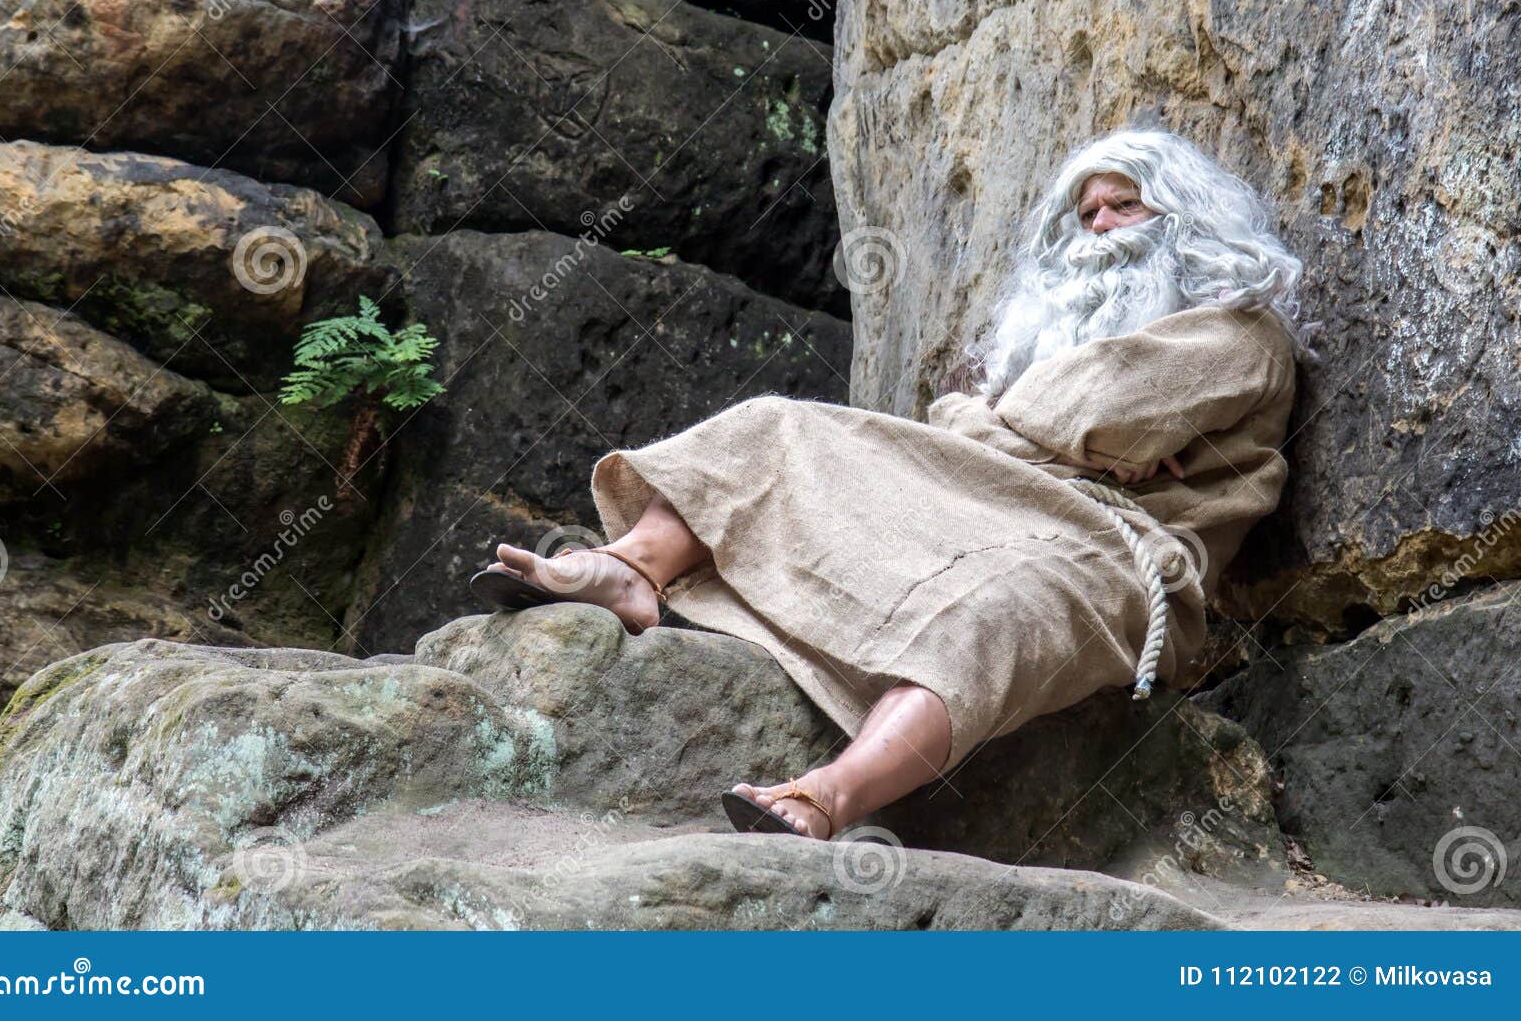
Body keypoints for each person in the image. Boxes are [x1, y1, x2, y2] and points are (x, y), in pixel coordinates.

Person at [473, 129, 1306, 840]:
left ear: (1188, 219)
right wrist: (1046, 430)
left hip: (1114, 551)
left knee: (993, 610)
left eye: (1125, 205)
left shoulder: (1240, 333)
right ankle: (634, 568)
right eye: (1086, 214)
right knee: (777, 426)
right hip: (979, 498)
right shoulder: (1049, 348)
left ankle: (829, 795)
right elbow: (969, 420)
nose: (1100, 228)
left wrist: (1042, 427)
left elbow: (1098, 411)